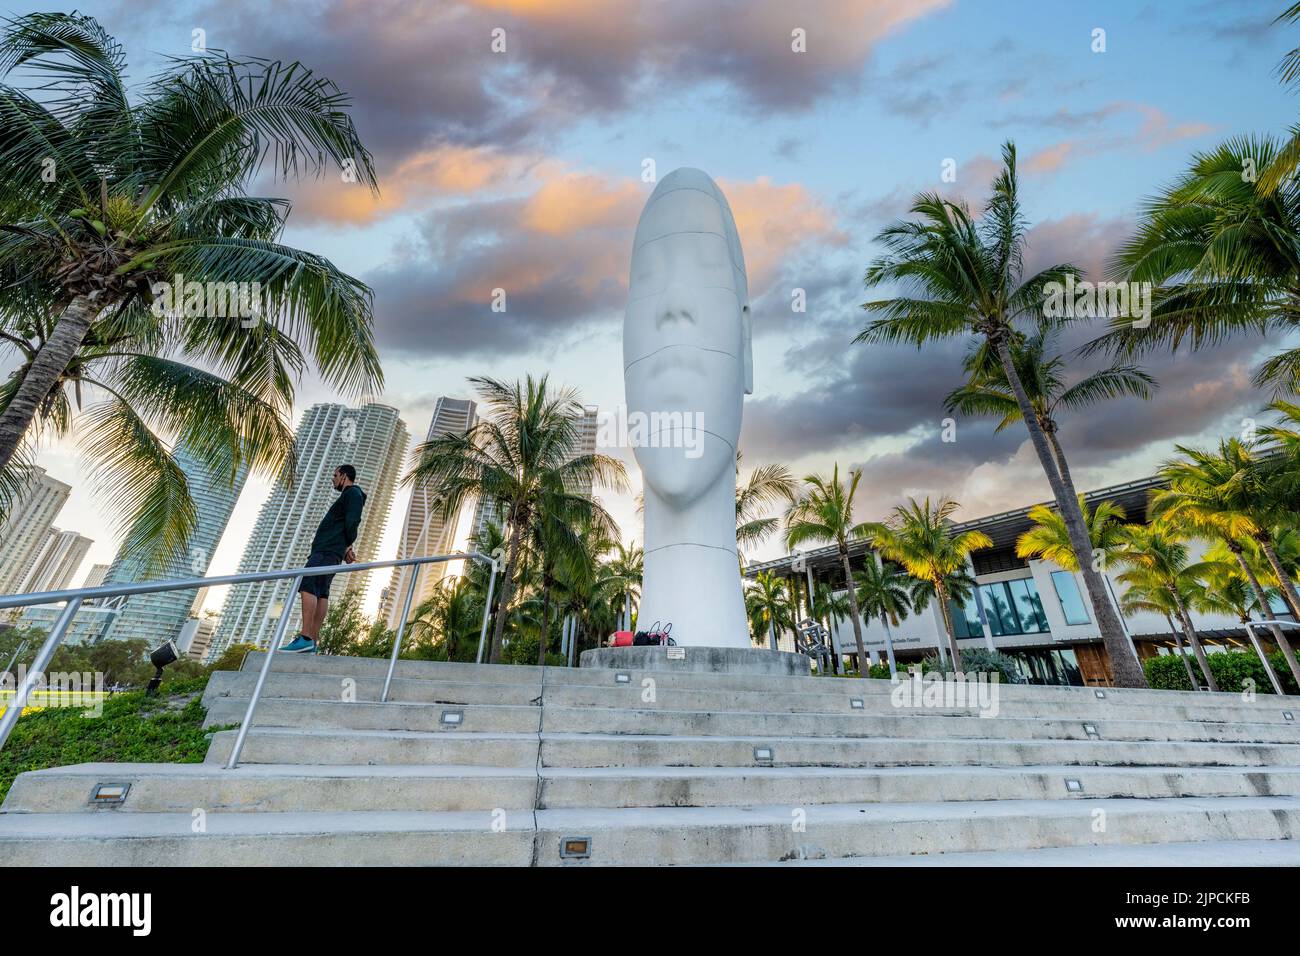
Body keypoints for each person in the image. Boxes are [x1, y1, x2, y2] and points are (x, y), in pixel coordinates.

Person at [280, 465, 366, 653]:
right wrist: (345, 549)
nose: (333, 479)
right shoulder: (349, 496)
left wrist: (349, 545)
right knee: (321, 592)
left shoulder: (352, 494)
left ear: (344, 476)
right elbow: (345, 525)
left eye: (335, 475)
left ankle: (305, 638)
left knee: (308, 585)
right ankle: (311, 642)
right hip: (331, 551)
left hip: (326, 551)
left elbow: (353, 522)